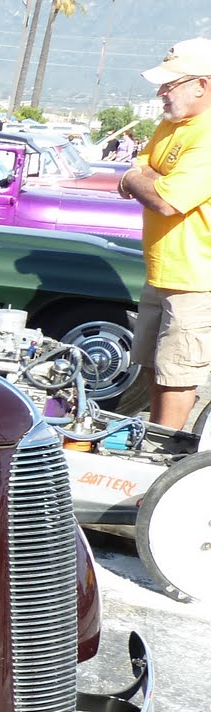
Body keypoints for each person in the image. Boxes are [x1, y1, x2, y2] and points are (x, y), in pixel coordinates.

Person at [118, 37, 211, 430]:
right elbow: (140, 166)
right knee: (156, 367)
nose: (160, 92)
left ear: (201, 85)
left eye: (169, 84)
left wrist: (138, 179)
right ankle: (152, 443)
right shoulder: (170, 125)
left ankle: (163, 457)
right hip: (163, 271)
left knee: (177, 372)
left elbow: (166, 202)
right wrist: (144, 178)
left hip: (196, 277)